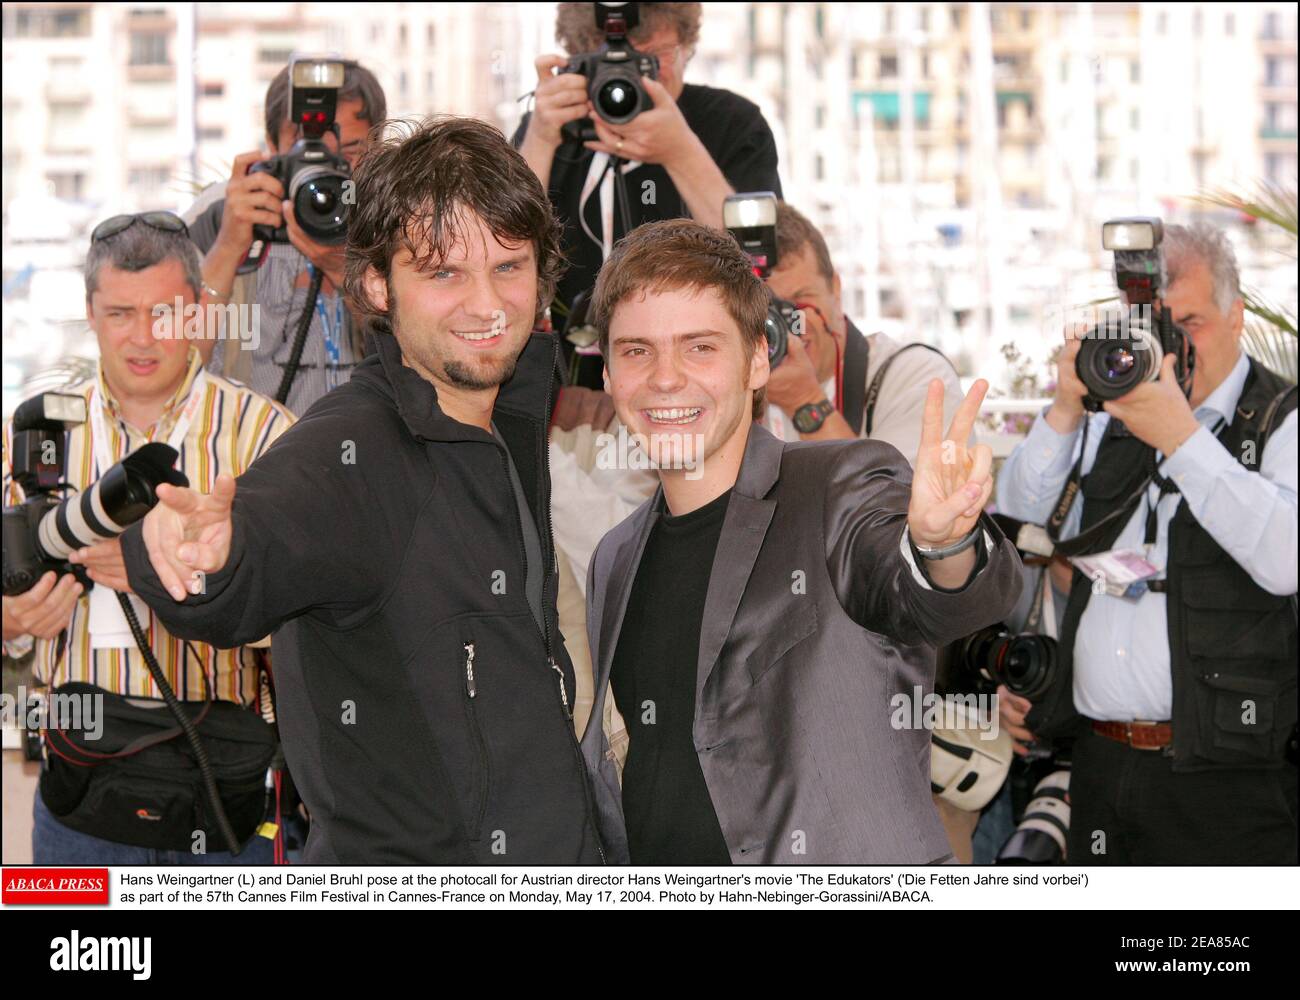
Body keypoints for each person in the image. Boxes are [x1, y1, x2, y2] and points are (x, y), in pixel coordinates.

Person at [120, 116, 606, 865]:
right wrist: (196, 553)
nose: (487, 305)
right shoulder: (351, 449)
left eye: (508, 267)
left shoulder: (503, 419)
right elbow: (248, 553)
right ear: (379, 282)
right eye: (444, 272)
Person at [579, 219, 1024, 863]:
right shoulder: (615, 558)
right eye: (637, 350)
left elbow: (934, 599)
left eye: (699, 347)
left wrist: (939, 546)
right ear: (610, 374)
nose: (665, 378)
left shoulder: (836, 484)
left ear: (758, 359)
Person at [996, 222, 1298, 864]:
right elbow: (1020, 513)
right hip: (1102, 767)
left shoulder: (1283, 418)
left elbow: (1285, 559)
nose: (1169, 349)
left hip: (1230, 780)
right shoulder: (1114, 414)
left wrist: (1181, 438)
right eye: (1152, 327)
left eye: (1189, 324)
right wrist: (1066, 408)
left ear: (1237, 315)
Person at [1, 213, 294, 863]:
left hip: (219, 783)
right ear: (90, 313)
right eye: (119, 314)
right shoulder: (32, 434)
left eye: (163, 314)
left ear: (195, 311)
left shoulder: (264, 434)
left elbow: (311, 613)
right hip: (81, 792)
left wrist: (192, 577)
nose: (141, 337)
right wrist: (10, 619)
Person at [514, 1, 782, 386]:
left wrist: (680, 150)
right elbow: (505, 248)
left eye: (654, 57)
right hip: (569, 389)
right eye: (612, 62)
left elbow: (757, 263)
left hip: (696, 379)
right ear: (576, 61)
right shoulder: (553, 129)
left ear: (687, 47)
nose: (631, 79)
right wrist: (540, 138)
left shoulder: (732, 125)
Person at [184, 60, 387, 414]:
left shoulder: (398, 219)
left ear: (378, 152)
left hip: (369, 456)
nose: (326, 174)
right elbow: (172, 363)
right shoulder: (223, 215)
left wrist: (345, 272)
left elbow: (420, 363)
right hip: (251, 455)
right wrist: (229, 247)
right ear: (272, 149)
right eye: (307, 153)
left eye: (350, 154)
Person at [762, 201, 962, 456]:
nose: (788, 323)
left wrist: (804, 403)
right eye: (767, 308)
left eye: (799, 300)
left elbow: (890, 495)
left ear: (834, 289)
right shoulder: (728, 382)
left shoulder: (914, 377)